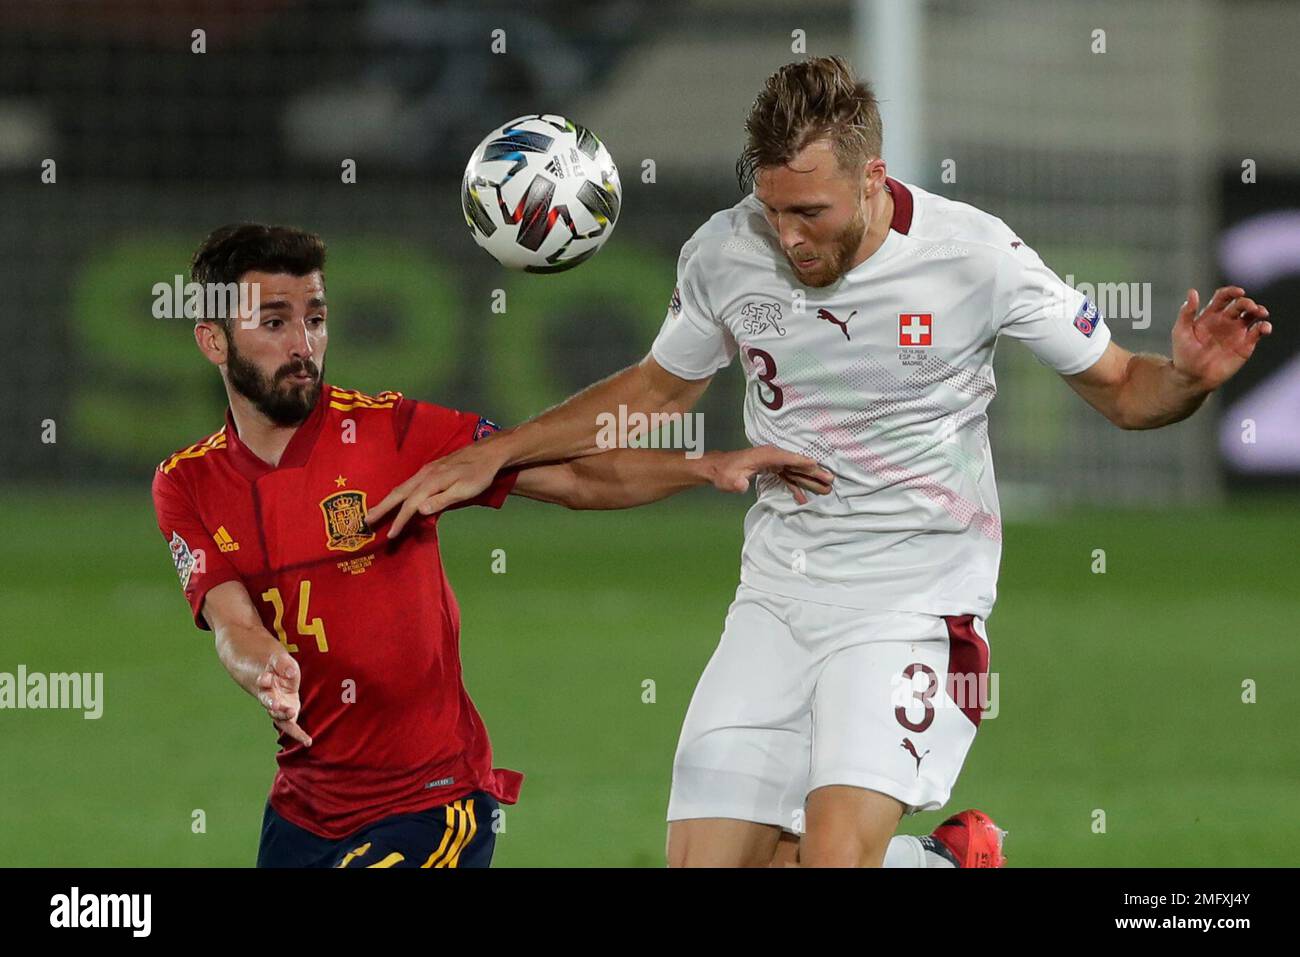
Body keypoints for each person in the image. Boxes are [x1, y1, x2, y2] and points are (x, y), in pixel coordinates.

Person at [367, 57, 1273, 868]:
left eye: (811, 210)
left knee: (836, 859)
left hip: (916, 606)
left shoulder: (975, 257)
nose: (791, 235)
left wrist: (1186, 378)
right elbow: (656, 393)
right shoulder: (725, 253)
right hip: (778, 596)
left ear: (872, 177)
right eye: (772, 209)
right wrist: (497, 453)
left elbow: (1124, 389)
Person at [151, 223, 816, 867]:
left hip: (430, 804)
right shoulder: (187, 483)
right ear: (213, 339)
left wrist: (705, 465)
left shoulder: (394, 432)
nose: (304, 344)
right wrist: (260, 661)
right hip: (302, 813)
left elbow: (575, 476)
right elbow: (231, 620)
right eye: (275, 323)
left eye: (316, 318)